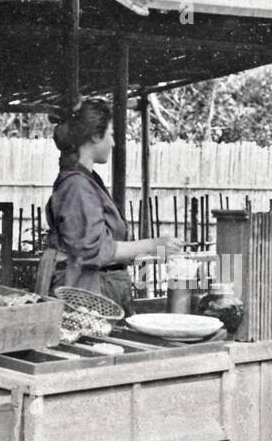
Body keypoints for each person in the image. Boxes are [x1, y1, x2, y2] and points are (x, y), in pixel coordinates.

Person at [44, 97, 180, 314]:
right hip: (87, 295)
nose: (114, 143)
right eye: (111, 134)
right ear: (95, 136)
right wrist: (154, 245)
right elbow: (96, 250)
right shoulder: (77, 186)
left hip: (97, 290)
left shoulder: (86, 180)